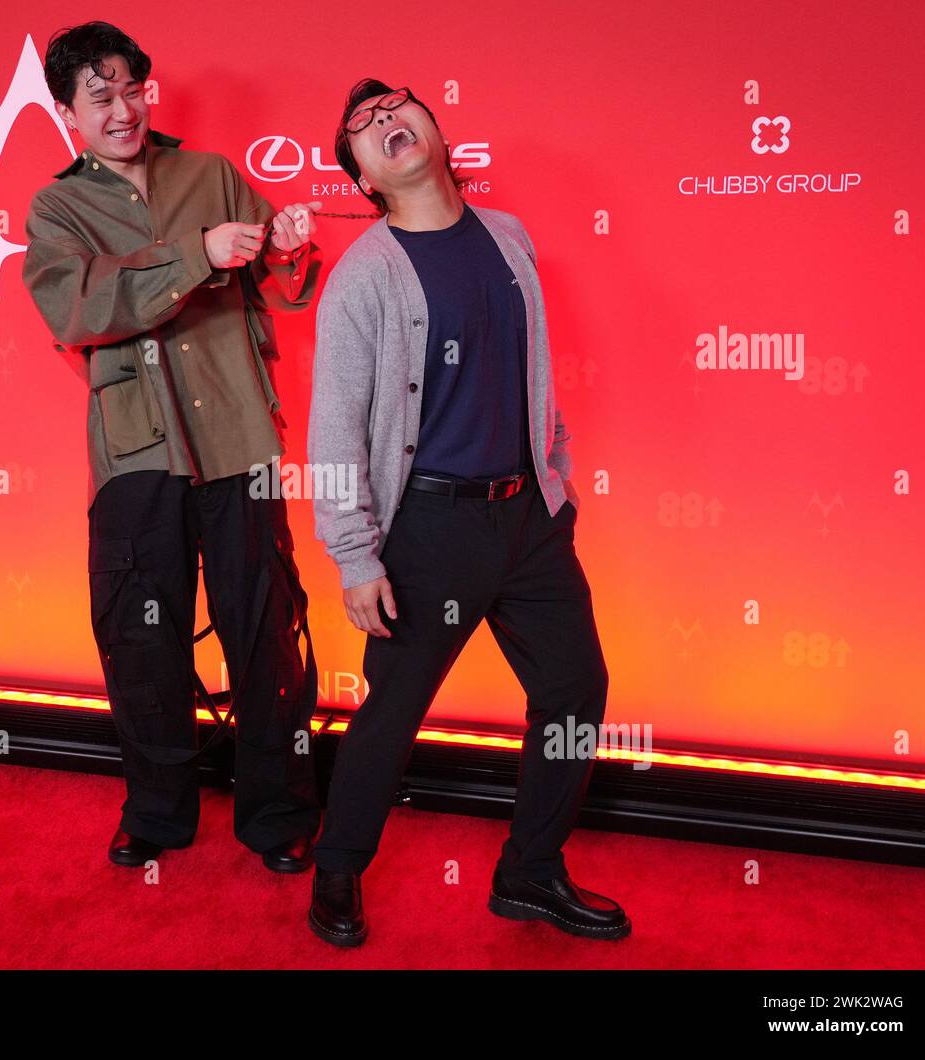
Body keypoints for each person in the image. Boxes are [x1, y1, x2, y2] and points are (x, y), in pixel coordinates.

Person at [306, 79, 629, 944]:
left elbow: (533, 372)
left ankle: (531, 872)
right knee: (393, 711)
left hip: (528, 519)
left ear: (439, 127)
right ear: (364, 179)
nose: (386, 124)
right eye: (364, 129)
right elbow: (334, 424)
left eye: (397, 108)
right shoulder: (364, 277)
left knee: (574, 690)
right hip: (430, 531)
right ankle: (337, 868)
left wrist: (553, 481)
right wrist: (355, 555)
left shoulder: (509, 237)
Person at [21, 21, 323, 872]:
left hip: (238, 432)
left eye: (131, 89)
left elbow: (281, 286)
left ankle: (278, 814)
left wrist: (292, 248)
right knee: (139, 637)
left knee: (264, 627)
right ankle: (155, 810)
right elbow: (80, 310)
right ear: (68, 113)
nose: (122, 109)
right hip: (135, 453)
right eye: (100, 95)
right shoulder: (57, 209)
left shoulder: (214, 175)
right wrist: (194, 254)